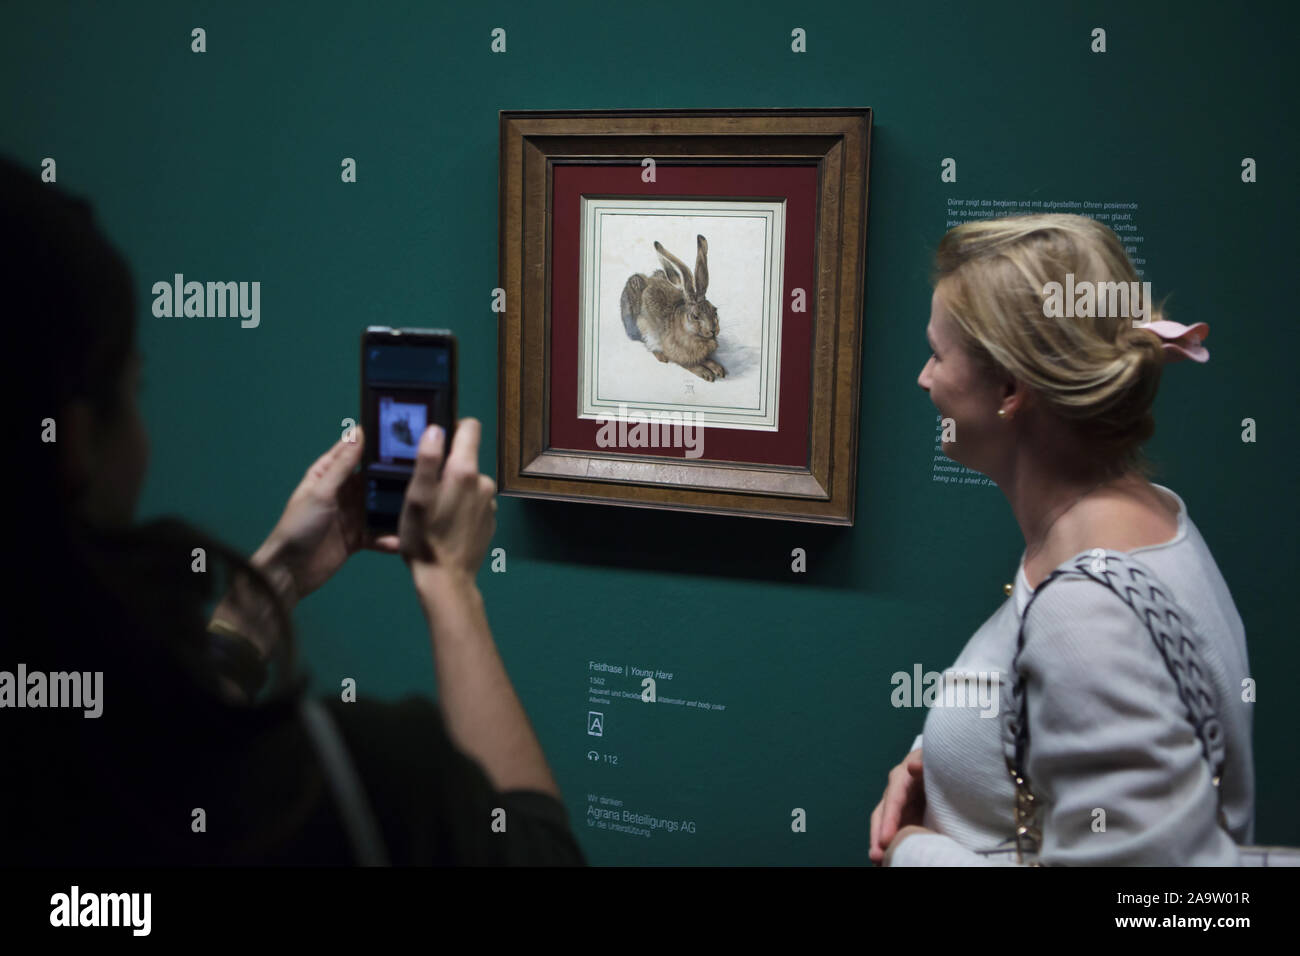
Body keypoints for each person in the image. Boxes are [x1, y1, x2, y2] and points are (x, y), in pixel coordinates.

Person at [0, 155, 585, 865]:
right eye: (137, 389)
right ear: (79, 438)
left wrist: (271, 584)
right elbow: (539, 852)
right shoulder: (349, 782)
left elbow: (169, 726)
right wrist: (450, 586)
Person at [870, 214, 1253, 866]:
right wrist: (943, 759)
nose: (923, 379)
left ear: (1011, 389)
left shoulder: (1092, 614)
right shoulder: (1144, 523)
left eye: (937, 354)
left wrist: (915, 854)